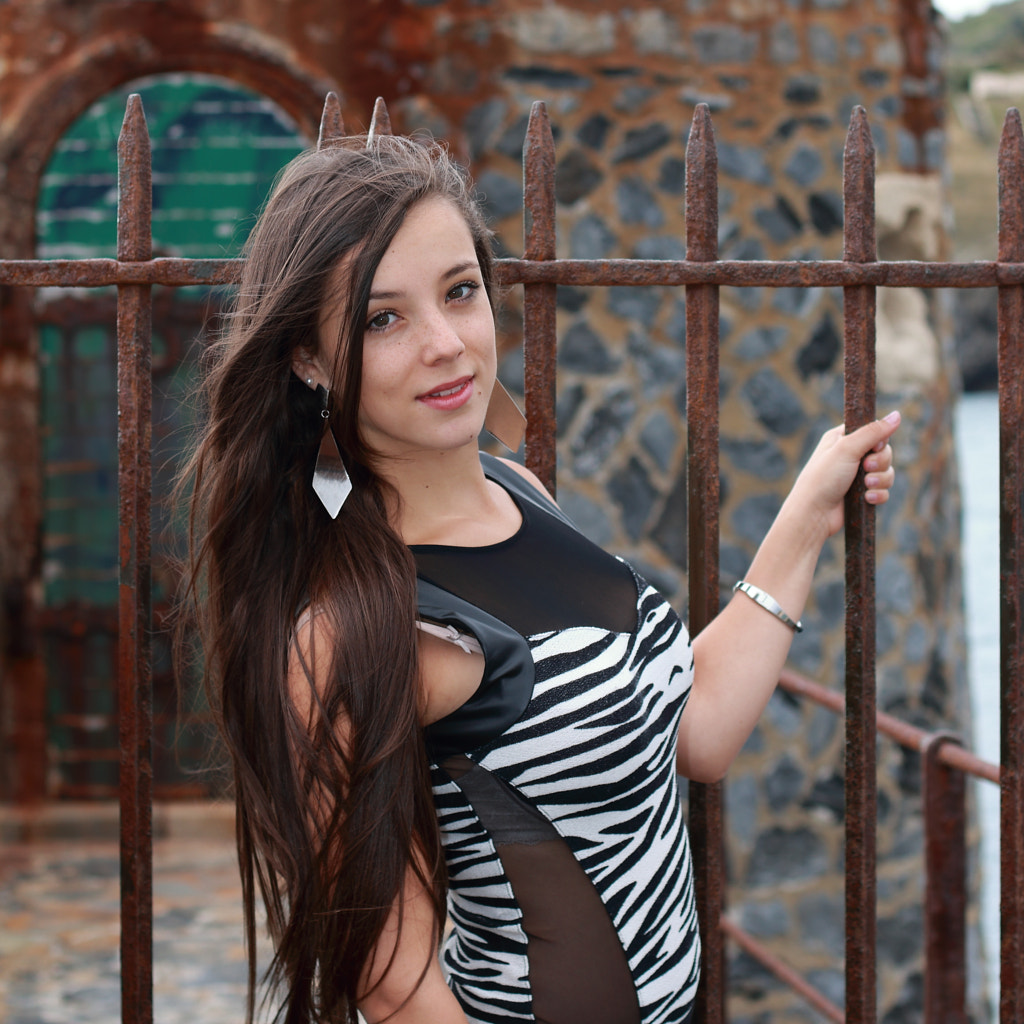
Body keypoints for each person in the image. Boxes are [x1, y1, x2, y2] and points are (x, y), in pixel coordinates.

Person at [178, 133, 899, 1024]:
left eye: (460, 293)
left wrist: (807, 514)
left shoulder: (522, 495)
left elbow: (693, 730)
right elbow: (391, 981)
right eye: (382, 318)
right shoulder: (357, 622)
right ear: (309, 357)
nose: (447, 344)